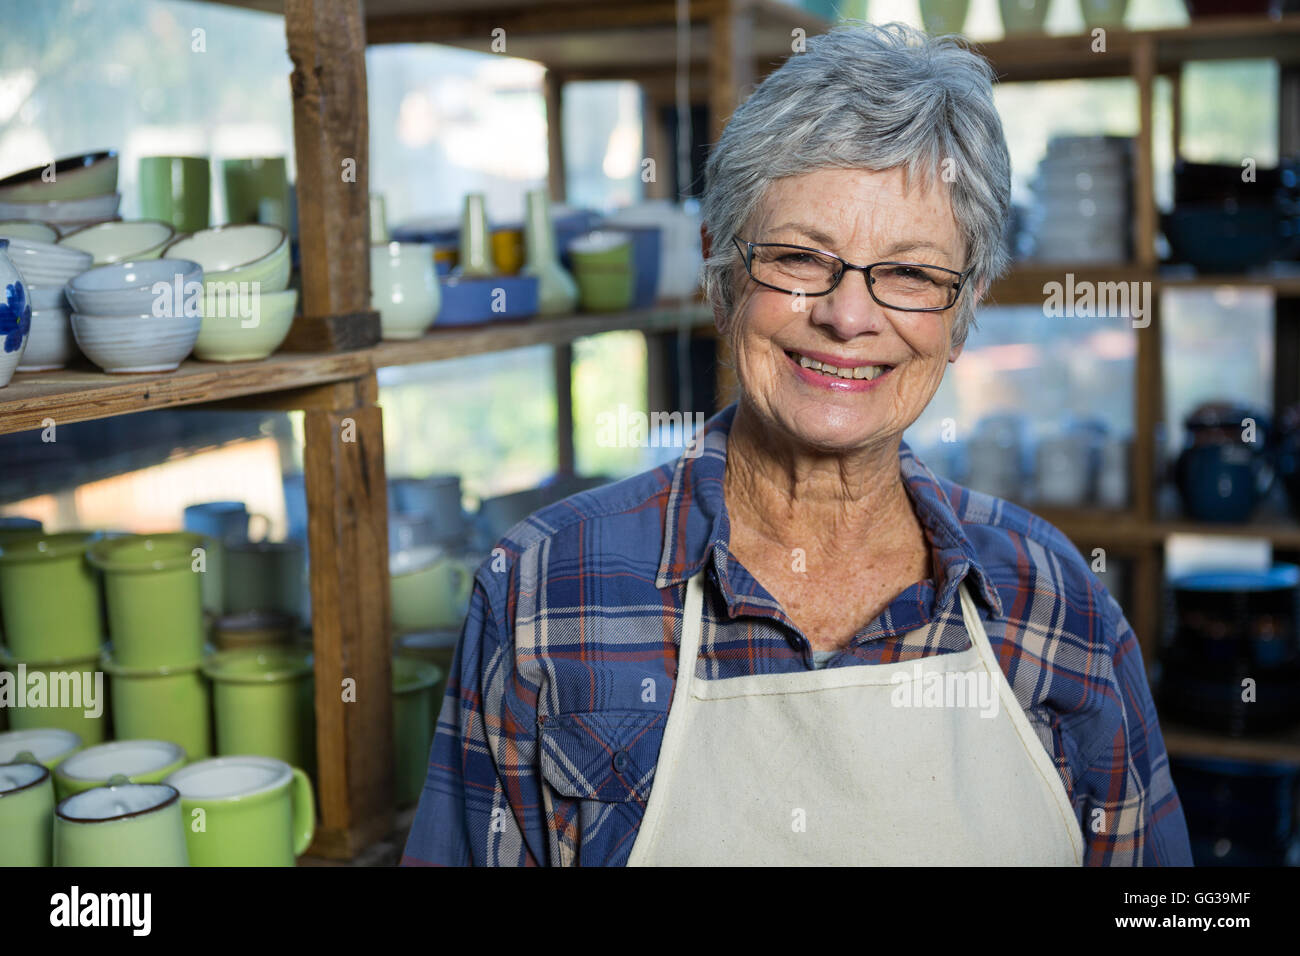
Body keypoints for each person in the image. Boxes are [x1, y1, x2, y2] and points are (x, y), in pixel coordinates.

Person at [402, 21, 1192, 866]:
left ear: (962, 316)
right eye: (798, 259)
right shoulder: (542, 594)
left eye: (913, 274)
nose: (848, 317)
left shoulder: (1055, 602)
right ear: (720, 277)